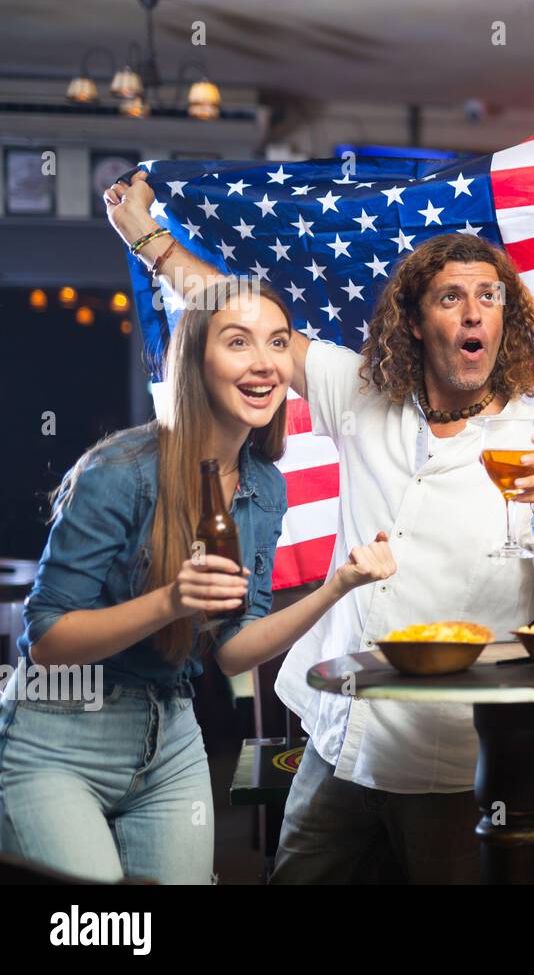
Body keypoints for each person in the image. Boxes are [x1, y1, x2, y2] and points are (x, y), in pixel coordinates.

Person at [102, 174, 534, 883]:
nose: (473, 314)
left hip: (453, 763)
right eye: (450, 298)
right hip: (338, 740)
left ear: (506, 320)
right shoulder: (362, 395)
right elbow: (234, 318)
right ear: (417, 321)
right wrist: (146, 238)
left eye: (489, 297)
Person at [0, 278, 395, 884]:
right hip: (57, 736)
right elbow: (47, 640)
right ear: (194, 361)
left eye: (278, 343)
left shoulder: (265, 485)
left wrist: (337, 586)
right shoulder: (119, 471)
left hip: (172, 738)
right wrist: (172, 601)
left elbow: (236, 649)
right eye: (239, 342)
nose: (264, 362)